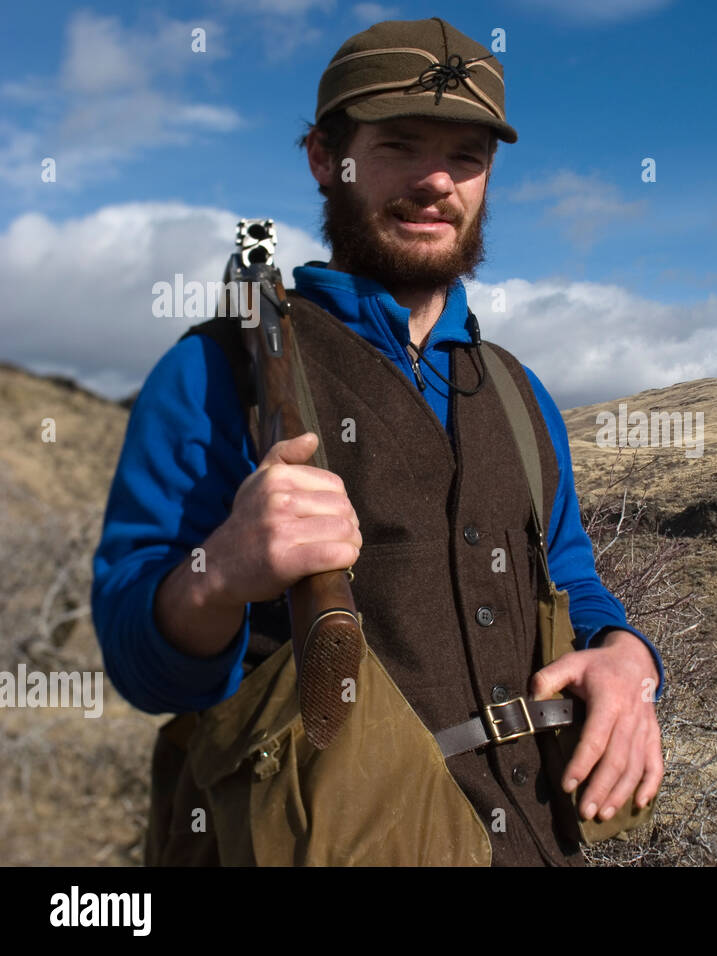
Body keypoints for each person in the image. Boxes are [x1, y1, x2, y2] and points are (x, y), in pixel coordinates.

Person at [91, 16, 665, 866]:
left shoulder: (518, 392)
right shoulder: (218, 371)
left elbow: (571, 576)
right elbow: (144, 665)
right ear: (326, 158)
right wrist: (222, 571)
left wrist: (624, 656)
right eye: (400, 146)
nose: (437, 180)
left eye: (466, 157)